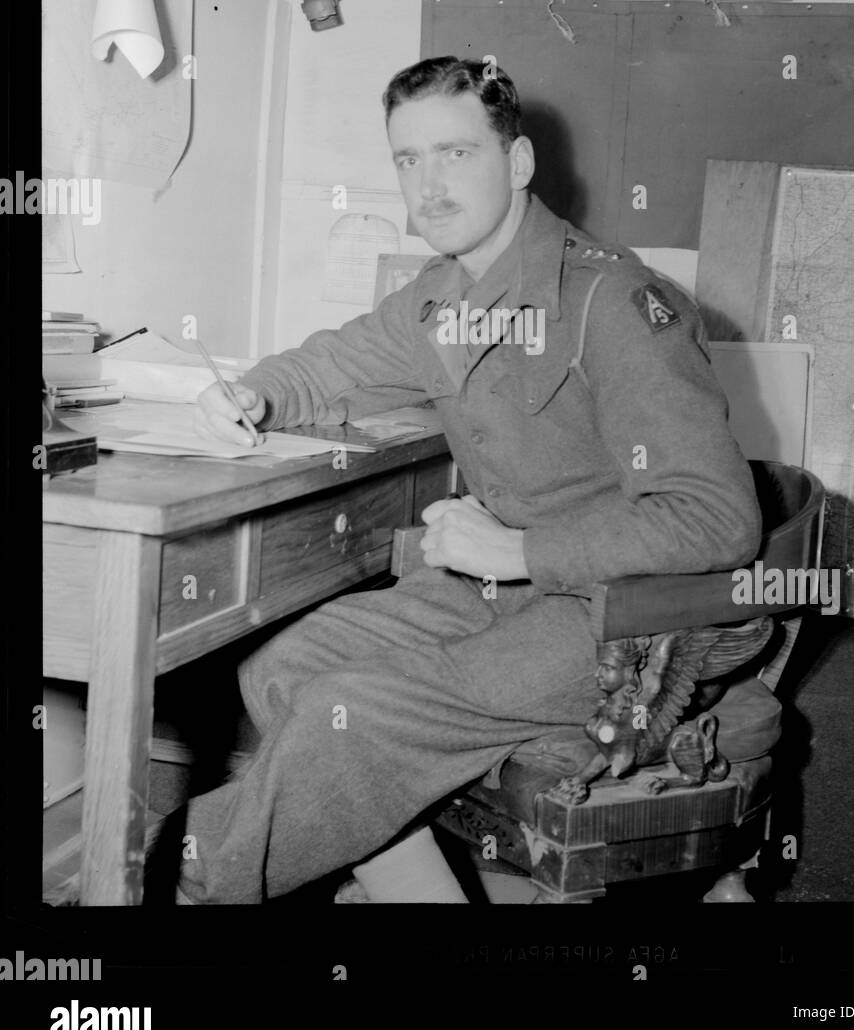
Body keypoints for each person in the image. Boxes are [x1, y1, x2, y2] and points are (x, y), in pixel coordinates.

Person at [173, 56, 761, 904]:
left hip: (624, 619)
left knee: (361, 713)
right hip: (501, 591)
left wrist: (521, 548)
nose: (428, 185)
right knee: (285, 664)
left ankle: (179, 880)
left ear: (517, 164)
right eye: (407, 160)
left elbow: (715, 521)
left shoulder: (616, 305)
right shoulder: (437, 295)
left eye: (454, 153)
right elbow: (331, 366)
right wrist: (249, 392)